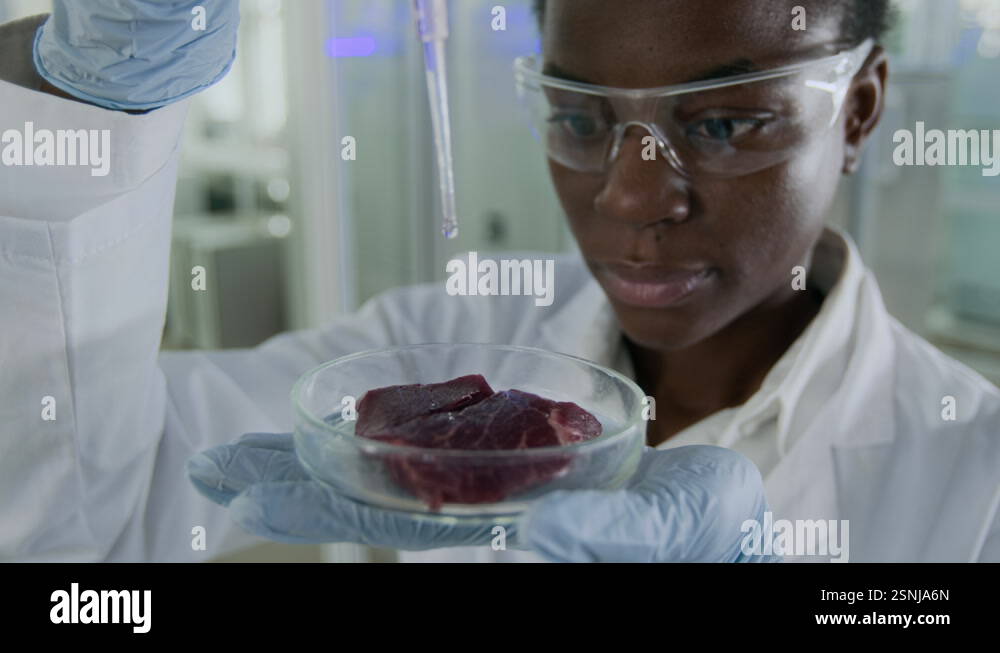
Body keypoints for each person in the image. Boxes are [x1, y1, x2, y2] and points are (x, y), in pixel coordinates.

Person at [0, 0, 996, 563]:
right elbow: (88, 521)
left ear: (859, 108)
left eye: (723, 122)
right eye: (578, 118)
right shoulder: (449, 343)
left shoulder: (972, 472)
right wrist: (78, 89)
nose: (631, 198)